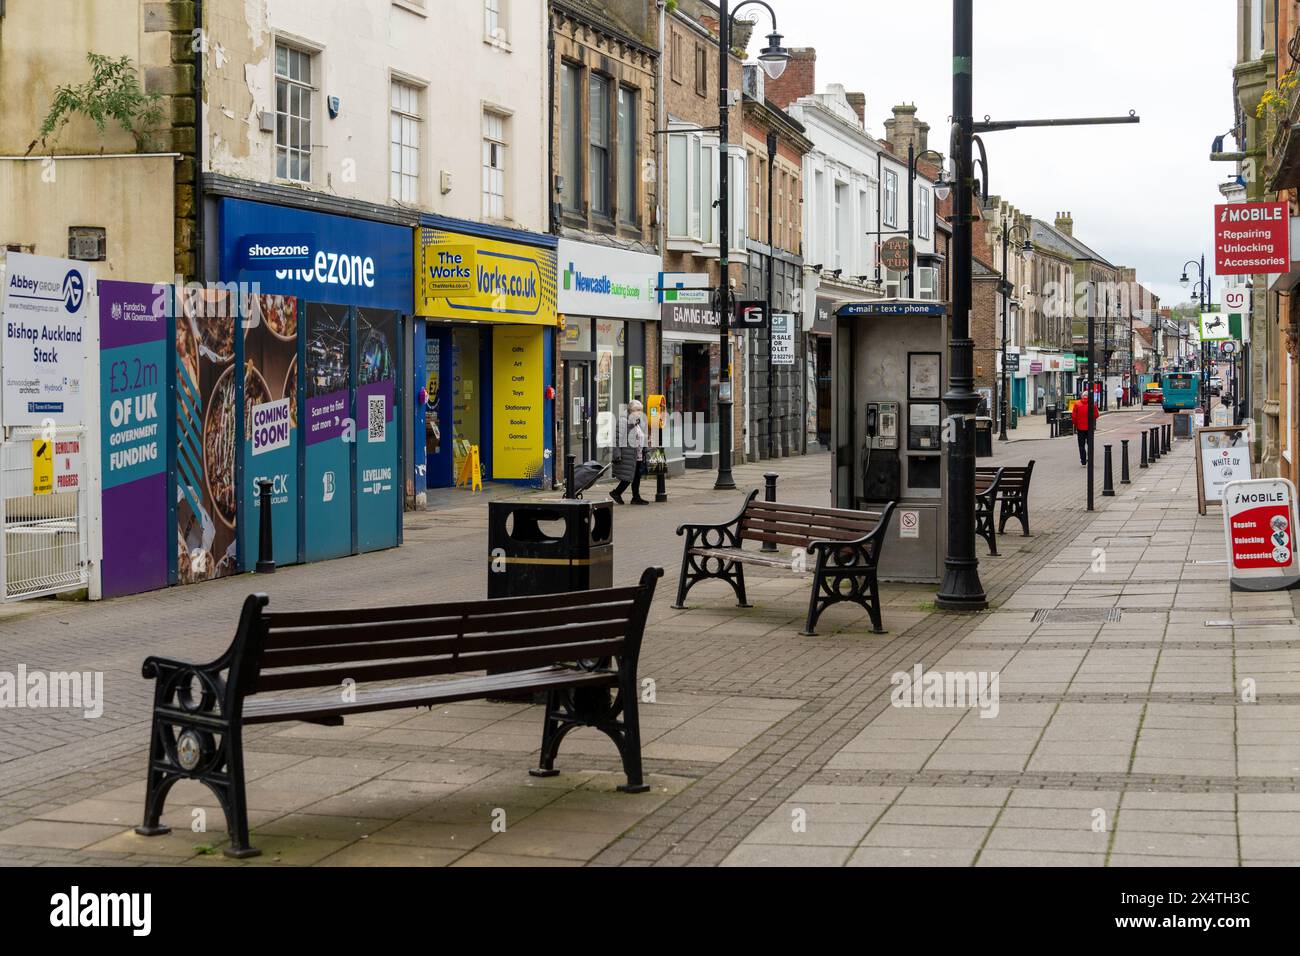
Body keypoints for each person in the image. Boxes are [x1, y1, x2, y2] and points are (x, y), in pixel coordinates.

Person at [611, 399, 648, 504]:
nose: (639, 413)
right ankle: (617, 493)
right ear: (630, 410)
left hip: (638, 454)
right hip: (628, 454)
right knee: (629, 477)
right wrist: (617, 454)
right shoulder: (624, 421)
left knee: (636, 477)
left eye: (640, 410)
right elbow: (617, 439)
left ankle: (635, 497)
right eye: (637, 410)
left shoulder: (638, 421)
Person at [1072, 391, 1092, 466]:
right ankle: (1090, 459)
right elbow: (1096, 414)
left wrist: (1076, 424)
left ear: (1082, 396)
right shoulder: (1092, 404)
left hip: (1080, 428)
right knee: (1090, 444)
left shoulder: (1077, 404)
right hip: (1089, 428)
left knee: (1081, 445)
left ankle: (1083, 461)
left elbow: (1074, 416)